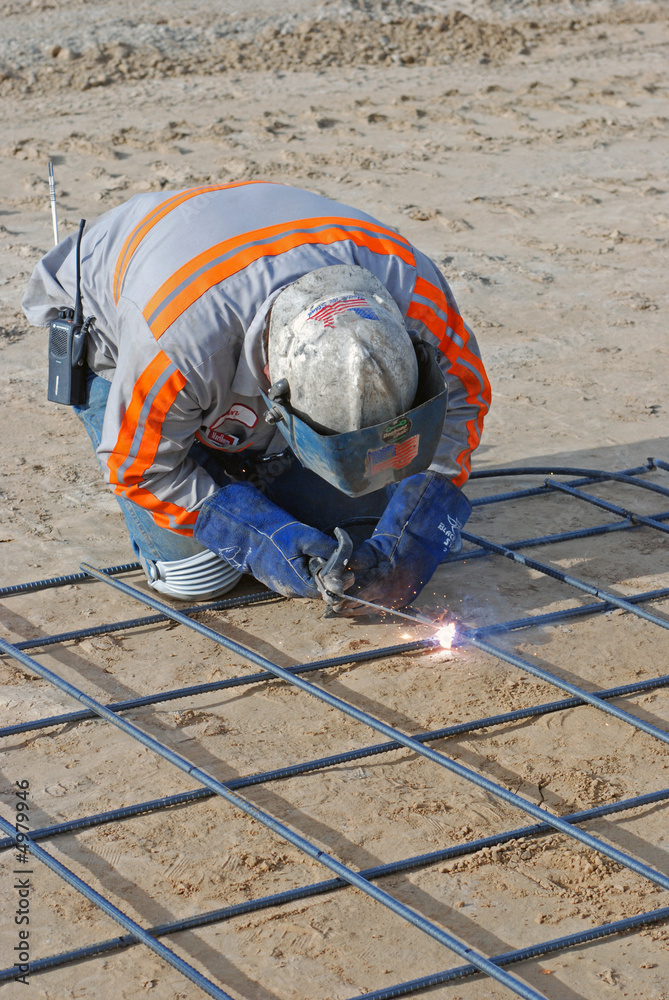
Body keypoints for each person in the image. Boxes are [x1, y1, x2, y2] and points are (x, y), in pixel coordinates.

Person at [22, 181, 490, 611]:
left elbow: (463, 400)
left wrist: (421, 515)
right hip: (116, 320)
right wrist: (263, 539)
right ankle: (206, 454)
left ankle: (245, 463)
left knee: (360, 526)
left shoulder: (414, 294)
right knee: (201, 575)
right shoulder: (177, 349)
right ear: (273, 385)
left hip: (247, 256)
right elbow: (139, 469)